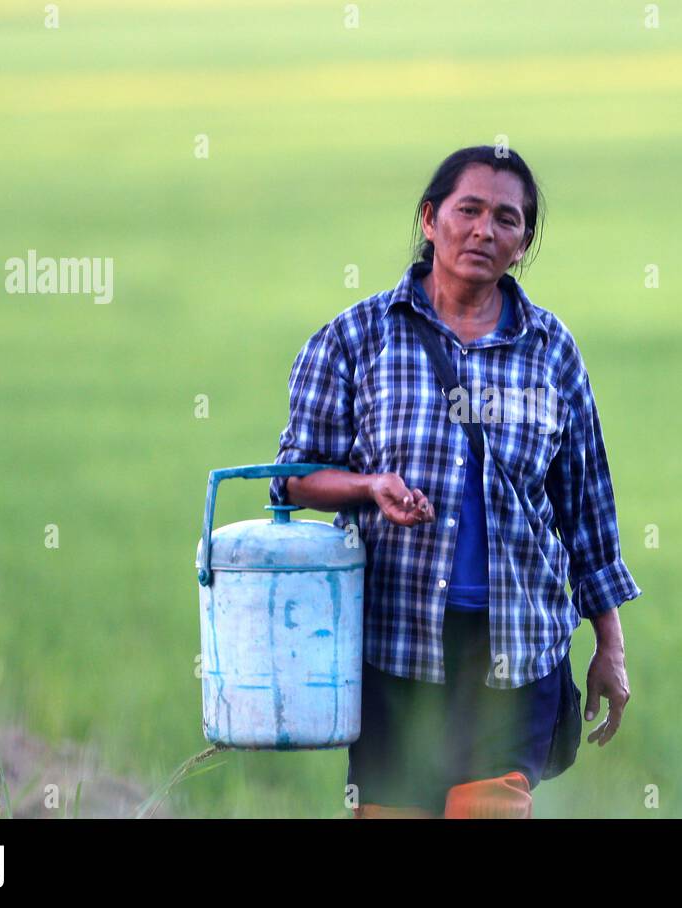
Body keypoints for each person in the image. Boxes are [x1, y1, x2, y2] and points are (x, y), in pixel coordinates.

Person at [270, 145, 642, 818]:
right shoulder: (357, 339)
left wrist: (610, 647)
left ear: (523, 241)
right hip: (395, 641)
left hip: (515, 646)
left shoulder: (552, 351)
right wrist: (368, 486)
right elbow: (294, 477)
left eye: (506, 218)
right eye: (468, 211)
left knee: (490, 810)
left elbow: (586, 512)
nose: (484, 231)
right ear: (430, 219)